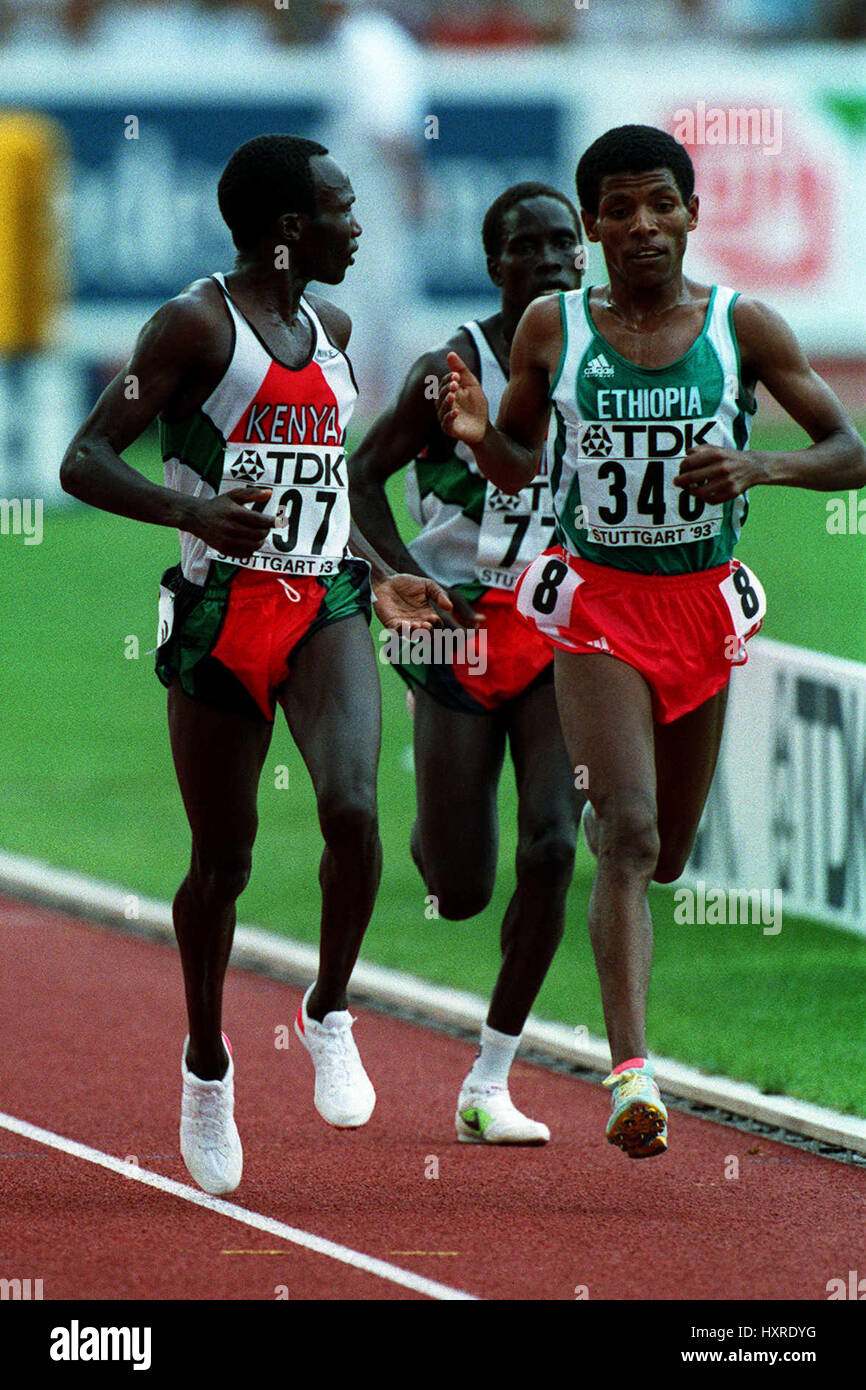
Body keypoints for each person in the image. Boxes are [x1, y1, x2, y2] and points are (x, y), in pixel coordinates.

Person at [437, 124, 866, 1158]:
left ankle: (625, 1029)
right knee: (621, 835)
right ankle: (631, 1071)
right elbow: (515, 466)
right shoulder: (551, 329)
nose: (641, 226)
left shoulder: (741, 327)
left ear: (690, 213)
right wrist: (471, 436)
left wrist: (756, 469)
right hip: (596, 608)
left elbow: (849, 451)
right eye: (619, 209)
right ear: (591, 225)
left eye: (659, 204)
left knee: (666, 852)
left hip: (701, 607)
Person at [60, 133, 452, 1196]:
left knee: (356, 811)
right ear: (289, 228)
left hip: (324, 602)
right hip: (219, 612)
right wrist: (191, 509)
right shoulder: (195, 324)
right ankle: (205, 1063)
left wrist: (377, 572)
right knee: (222, 861)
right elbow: (82, 457)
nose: (359, 225)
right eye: (341, 208)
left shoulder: (330, 326)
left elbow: (323, 488)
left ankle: (327, 1009)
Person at [350, 182, 585, 1143]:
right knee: (460, 887)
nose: (549, 259)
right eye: (524, 247)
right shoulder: (447, 368)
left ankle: (490, 1079)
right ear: (494, 264)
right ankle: (436, 808)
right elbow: (359, 477)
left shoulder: (610, 360)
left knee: (555, 846)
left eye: (563, 242)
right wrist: (400, 576)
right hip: (455, 624)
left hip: (564, 623)